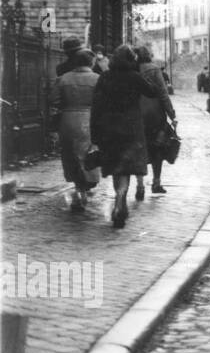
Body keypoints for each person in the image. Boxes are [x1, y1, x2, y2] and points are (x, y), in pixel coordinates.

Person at [90, 44, 158, 228]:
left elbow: (95, 107)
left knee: (115, 167)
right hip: (131, 128)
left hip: (109, 129)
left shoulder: (104, 77)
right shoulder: (134, 77)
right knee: (126, 168)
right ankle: (121, 199)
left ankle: (119, 200)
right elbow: (152, 91)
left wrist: (94, 135)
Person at [52, 48, 100, 212]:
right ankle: (84, 189)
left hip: (68, 120)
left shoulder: (63, 79)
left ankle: (79, 189)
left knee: (71, 156)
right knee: (89, 156)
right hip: (90, 120)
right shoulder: (97, 79)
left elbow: (54, 101)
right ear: (91, 62)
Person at [134, 44, 177, 199]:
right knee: (157, 148)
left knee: (138, 147)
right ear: (149, 55)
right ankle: (156, 182)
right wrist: (172, 115)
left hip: (136, 114)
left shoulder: (132, 69)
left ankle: (140, 185)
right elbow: (163, 93)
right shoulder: (154, 69)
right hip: (155, 114)